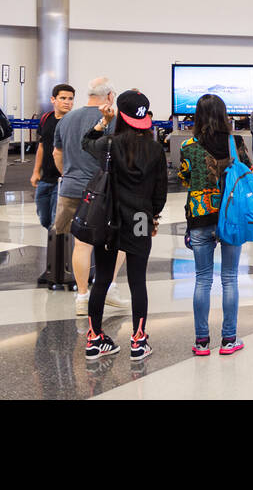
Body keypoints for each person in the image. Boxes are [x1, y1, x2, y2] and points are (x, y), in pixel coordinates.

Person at [82, 90, 167, 361]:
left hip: (109, 218)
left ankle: (95, 338)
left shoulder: (108, 143)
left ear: (121, 114)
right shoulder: (154, 148)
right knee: (137, 280)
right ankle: (138, 341)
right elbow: (160, 192)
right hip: (141, 219)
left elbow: (86, 141)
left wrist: (102, 122)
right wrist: (152, 217)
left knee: (103, 279)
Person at [55, 77, 129, 316]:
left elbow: (57, 153)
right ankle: (109, 287)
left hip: (71, 188)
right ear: (109, 96)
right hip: (102, 191)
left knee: (81, 245)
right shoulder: (113, 120)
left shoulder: (66, 119)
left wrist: (68, 175)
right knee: (118, 242)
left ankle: (82, 296)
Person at [178, 94, 245, 357]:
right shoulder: (235, 143)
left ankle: (202, 342)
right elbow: (248, 171)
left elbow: (184, 177)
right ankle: (229, 339)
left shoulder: (188, 146)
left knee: (202, 279)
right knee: (230, 278)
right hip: (229, 217)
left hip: (199, 216)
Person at [30, 83, 74, 233]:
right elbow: (42, 146)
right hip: (45, 178)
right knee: (44, 218)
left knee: (56, 222)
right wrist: (36, 171)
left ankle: (57, 253)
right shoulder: (46, 118)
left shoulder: (73, 121)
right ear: (53, 100)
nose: (67, 102)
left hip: (63, 180)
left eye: (70, 98)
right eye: (63, 98)